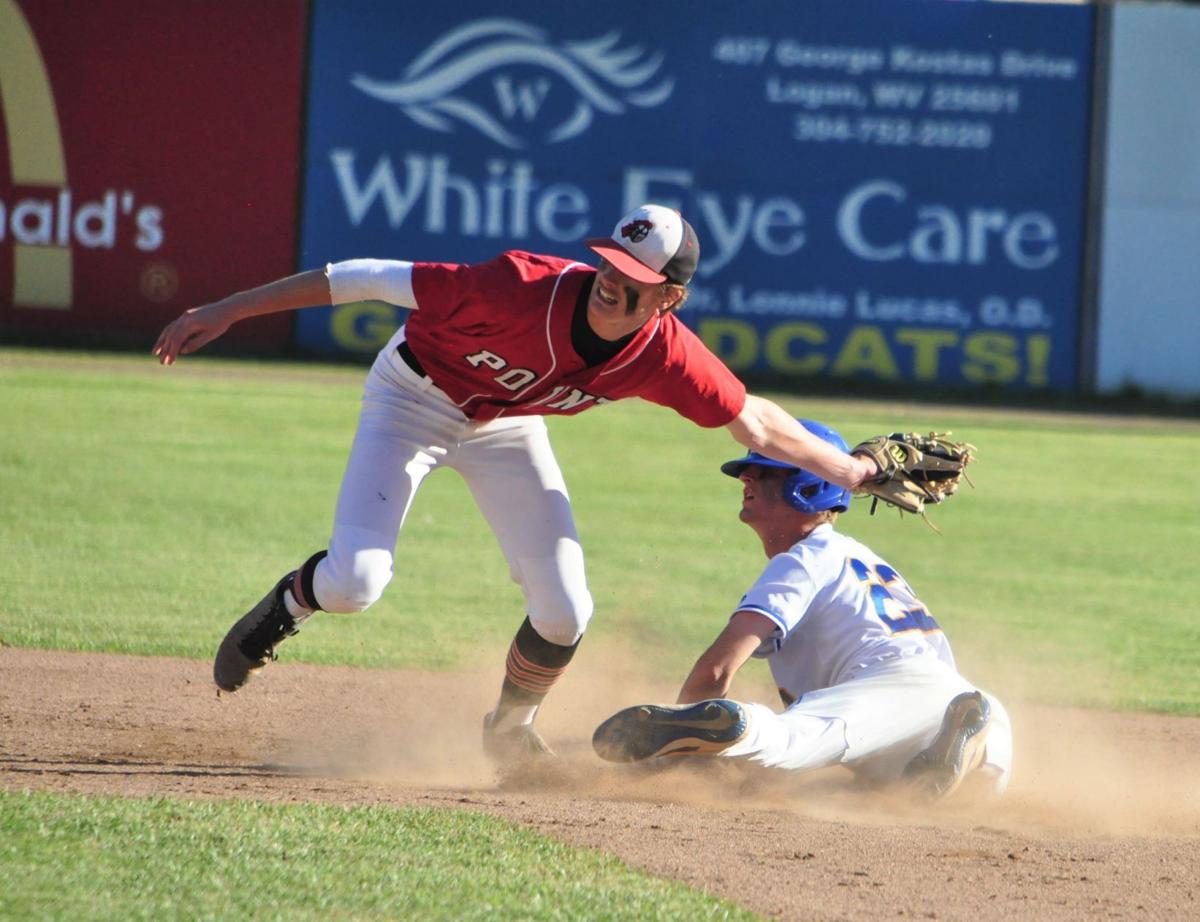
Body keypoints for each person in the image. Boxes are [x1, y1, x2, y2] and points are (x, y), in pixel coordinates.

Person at [152, 204, 883, 769]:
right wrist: (223, 310)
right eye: (610, 265)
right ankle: (286, 604)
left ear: (671, 299)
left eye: (637, 283)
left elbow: (752, 420)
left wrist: (851, 471)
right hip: (413, 399)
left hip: (506, 426)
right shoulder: (516, 286)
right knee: (356, 584)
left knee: (566, 611)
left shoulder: (667, 357)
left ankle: (509, 729)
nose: (612, 284)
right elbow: (361, 277)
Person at [593, 419, 1012, 800]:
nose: (746, 477)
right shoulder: (866, 560)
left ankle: (741, 725)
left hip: (892, 691)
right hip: (962, 702)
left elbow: (717, 670)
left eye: (765, 469)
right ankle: (965, 758)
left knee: (793, 740)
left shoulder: (805, 557)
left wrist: (676, 760)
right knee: (925, 792)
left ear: (809, 486)